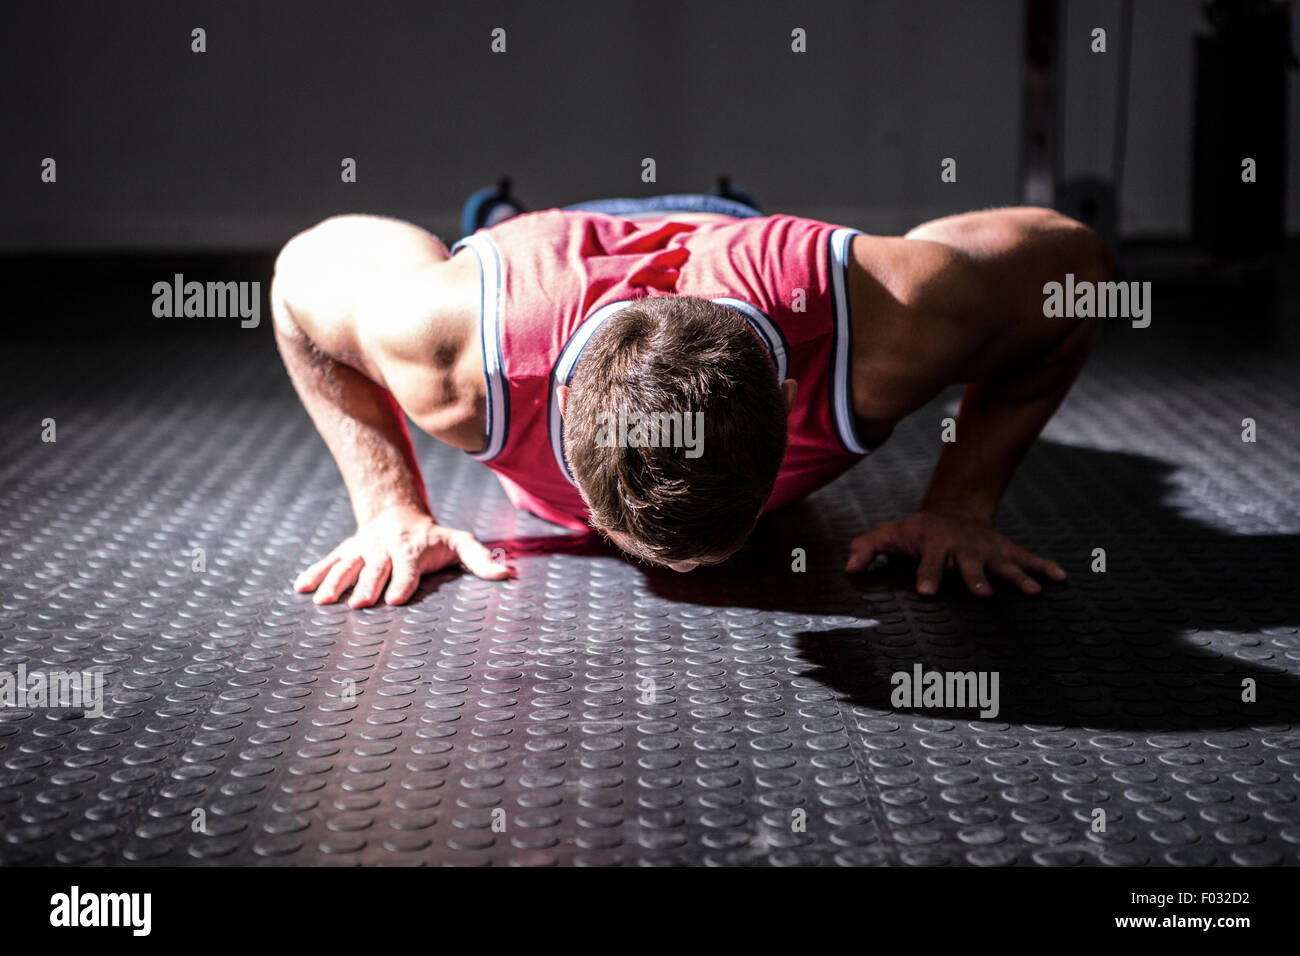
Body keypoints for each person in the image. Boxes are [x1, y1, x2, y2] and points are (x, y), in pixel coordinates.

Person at [270, 180, 1110, 608]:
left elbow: (1076, 265)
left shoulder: (889, 320)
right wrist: (388, 508)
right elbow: (295, 283)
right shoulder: (454, 347)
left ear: (787, 399)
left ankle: (720, 210)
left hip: (736, 240)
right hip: (541, 256)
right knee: (488, 215)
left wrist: (964, 504)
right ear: (557, 409)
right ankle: (500, 207)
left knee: (731, 213)